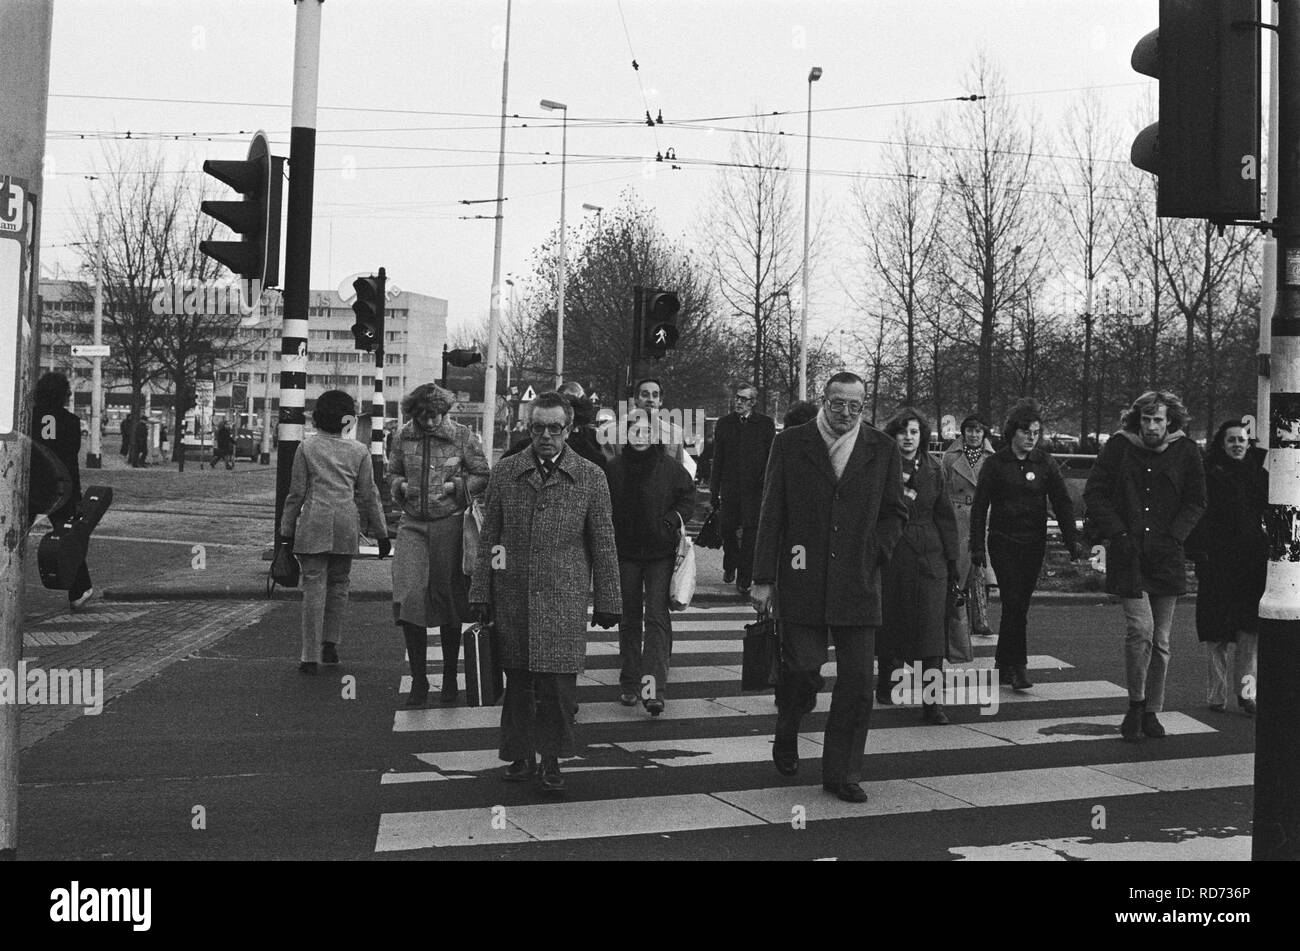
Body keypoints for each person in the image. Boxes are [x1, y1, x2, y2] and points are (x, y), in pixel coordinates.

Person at [751, 371, 908, 803]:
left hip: (858, 582)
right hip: (802, 578)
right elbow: (771, 513)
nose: (845, 413)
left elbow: (895, 512)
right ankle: (788, 725)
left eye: (855, 406)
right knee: (802, 671)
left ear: (865, 406)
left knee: (858, 682)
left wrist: (878, 549)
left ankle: (842, 772)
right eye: (838, 403)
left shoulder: (882, 448)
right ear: (824, 400)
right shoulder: (791, 443)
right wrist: (763, 579)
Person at [469, 392, 622, 795]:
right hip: (513, 591)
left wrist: (609, 599)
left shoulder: (590, 476)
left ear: (569, 429)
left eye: (555, 428)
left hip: (563, 596)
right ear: (528, 428)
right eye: (538, 427)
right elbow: (490, 537)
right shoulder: (506, 472)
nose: (546, 436)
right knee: (518, 679)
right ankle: (520, 755)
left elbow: (603, 541)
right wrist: (481, 589)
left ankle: (552, 758)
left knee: (556, 685)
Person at [1084, 391, 1206, 742]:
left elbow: (1197, 499)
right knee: (1141, 630)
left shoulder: (1186, 451)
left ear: (1170, 422)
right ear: (1138, 420)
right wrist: (1118, 532)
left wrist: (1176, 534)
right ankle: (1135, 705)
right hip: (1129, 551)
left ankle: (1153, 710)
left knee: (1162, 640)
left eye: (1158, 420)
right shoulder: (1120, 447)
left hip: (1166, 553)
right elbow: (1096, 492)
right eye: (1147, 419)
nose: (1152, 427)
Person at [389, 382, 491, 706]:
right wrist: (400, 485)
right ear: (413, 413)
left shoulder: (462, 435)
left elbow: (482, 474)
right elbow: (391, 472)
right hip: (412, 525)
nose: (429, 422)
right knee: (409, 597)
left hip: (449, 524)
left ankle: (449, 677)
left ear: (443, 412)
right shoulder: (402, 437)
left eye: (434, 416)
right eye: (422, 416)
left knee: (449, 599)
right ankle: (419, 680)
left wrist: (456, 487)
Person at [970, 399, 1083, 691]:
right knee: (1014, 602)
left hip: (1033, 543)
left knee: (1017, 606)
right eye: (1025, 431)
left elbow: (1062, 502)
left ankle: (1001, 664)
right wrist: (976, 547)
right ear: (1012, 433)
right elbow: (980, 506)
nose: (1032, 437)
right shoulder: (995, 464)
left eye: (1036, 431)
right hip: (1003, 542)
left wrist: (1072, 541)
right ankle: (1018, 667)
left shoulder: (1044, 462)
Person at [281, 390, 390, 673]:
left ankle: (308, 655)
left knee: (313, 588)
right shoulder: (359, 452)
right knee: (340, 585)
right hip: (345, 524)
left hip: (314, 523)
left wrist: (286, 532)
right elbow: (369, 495)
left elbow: (296, 494)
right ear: (348, 421)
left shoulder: (307, 448)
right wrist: (381, 534)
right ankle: (331, 644)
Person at [605, 415, 696, 715]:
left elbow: (687, 499)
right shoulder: (613, 469)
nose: (641, 436)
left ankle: (652, 689)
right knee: (629, 618)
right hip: (626, 552)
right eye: (635, 430)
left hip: (660, 553)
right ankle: (629, 682)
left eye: (647, 431)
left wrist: (670, 521)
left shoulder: (670, 468)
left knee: (657, 617)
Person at [876, 408, 959, 723]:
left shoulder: (934, 469)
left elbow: (946, 516)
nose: (908, 438)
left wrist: (953, 562)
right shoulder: (881, 468)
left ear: (922, 435)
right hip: (893, 555)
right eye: (902, 432)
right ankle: (886, 680)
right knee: (891, 623)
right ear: (893, 435)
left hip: (929, 557)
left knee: (932, 633)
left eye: (913, 432)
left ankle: (932, 702)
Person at [1186, 419, 1265, 717]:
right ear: (1222, 443)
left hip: (1250, 566)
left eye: (1241, 439)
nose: (1237, 444)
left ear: (1248, 443)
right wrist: (1199, 555)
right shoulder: (1207, 475)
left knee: (1248, 634)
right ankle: (1216, 695)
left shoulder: (1258, 474)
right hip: (1217, 564)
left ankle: (1247, 695)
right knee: (1216, 634)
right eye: (1231, 440)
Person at [30, 372, 95, 610]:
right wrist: (76, 496)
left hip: (30, 486)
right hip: (59, 488)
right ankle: (78, 590)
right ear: (63, 395)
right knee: (69, 537)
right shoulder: (71, 422)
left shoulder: (28, 418)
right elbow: (70, 462)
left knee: (12, 539)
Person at [709, 382, 776, 597]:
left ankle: (745, 578)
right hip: (730, 487)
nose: (739, 402)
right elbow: (717, 457)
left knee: (750, 534)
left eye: (744, 399)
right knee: (727, 529)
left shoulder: (765, 424)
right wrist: (714, 489)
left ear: (753, 403)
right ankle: (730, 562)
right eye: (737, 398)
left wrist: (765, 481)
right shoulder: (724, 423)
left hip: (754, 489)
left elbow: (770, 457)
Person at [941, 414, 995, 637]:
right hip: (956, 516)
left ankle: (981, 619)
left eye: (978, 431)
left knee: (981, 571)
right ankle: (955, 620)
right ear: (963, 432)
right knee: (957, 570)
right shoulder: (950, 457)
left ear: (984, 434)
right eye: (970, 430)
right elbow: (942, 488)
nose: (974, 435)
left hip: (984, 517)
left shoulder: (993, 458)